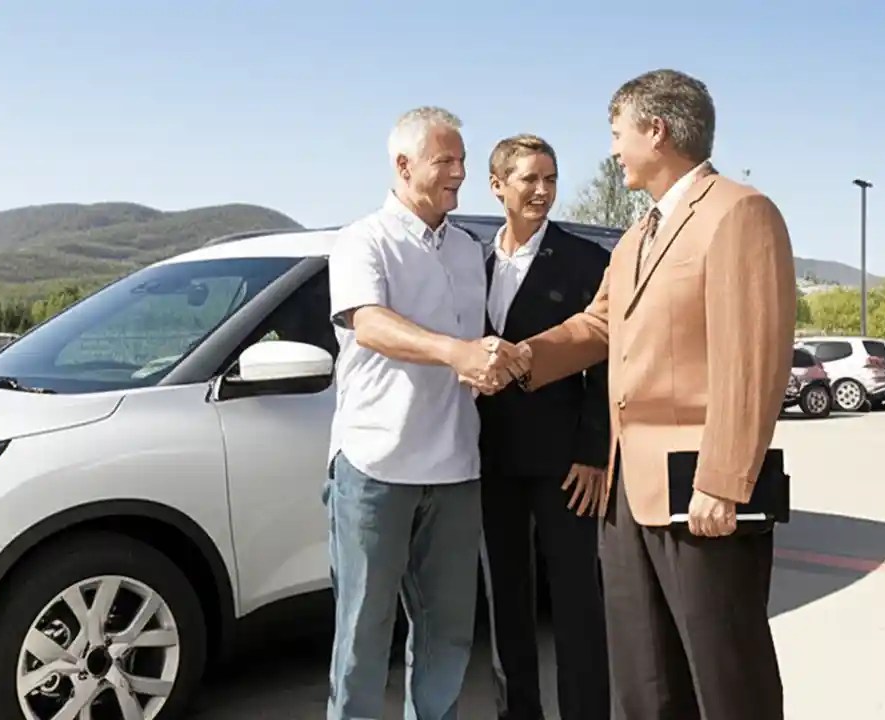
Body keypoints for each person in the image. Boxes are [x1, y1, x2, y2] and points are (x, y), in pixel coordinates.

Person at [478, 69, 795, 719]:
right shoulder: (635, 238)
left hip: (700, 489)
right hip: (629, 493)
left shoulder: (739, 213)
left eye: (618, 133)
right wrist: (519, 359)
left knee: (723, 676)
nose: (614, 149)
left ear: (657, 130)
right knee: (644, 682)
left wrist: (726, 478)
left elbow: (754, 354)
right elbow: (596, 326)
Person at [324, 106, 515, 720]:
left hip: (456, 468)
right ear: (404, 166)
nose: (460, 172)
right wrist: (453, 351)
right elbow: (370, 324)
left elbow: (480, 335)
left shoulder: (467, 251)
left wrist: (492, 357)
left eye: (462, 159)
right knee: (362, 638)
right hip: (376, 468)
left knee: (448, 637)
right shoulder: (363, 241)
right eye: (446, 161)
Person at [475, 134, 611, 720]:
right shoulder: (470, 264)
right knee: (506, 602)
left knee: (579, 605)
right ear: (497, 185)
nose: (542, 190)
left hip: (565, 465)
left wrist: (594, 450)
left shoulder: (587, 262)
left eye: (550, 178)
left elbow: (609, 362)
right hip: (488, 460)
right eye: (529, 178)